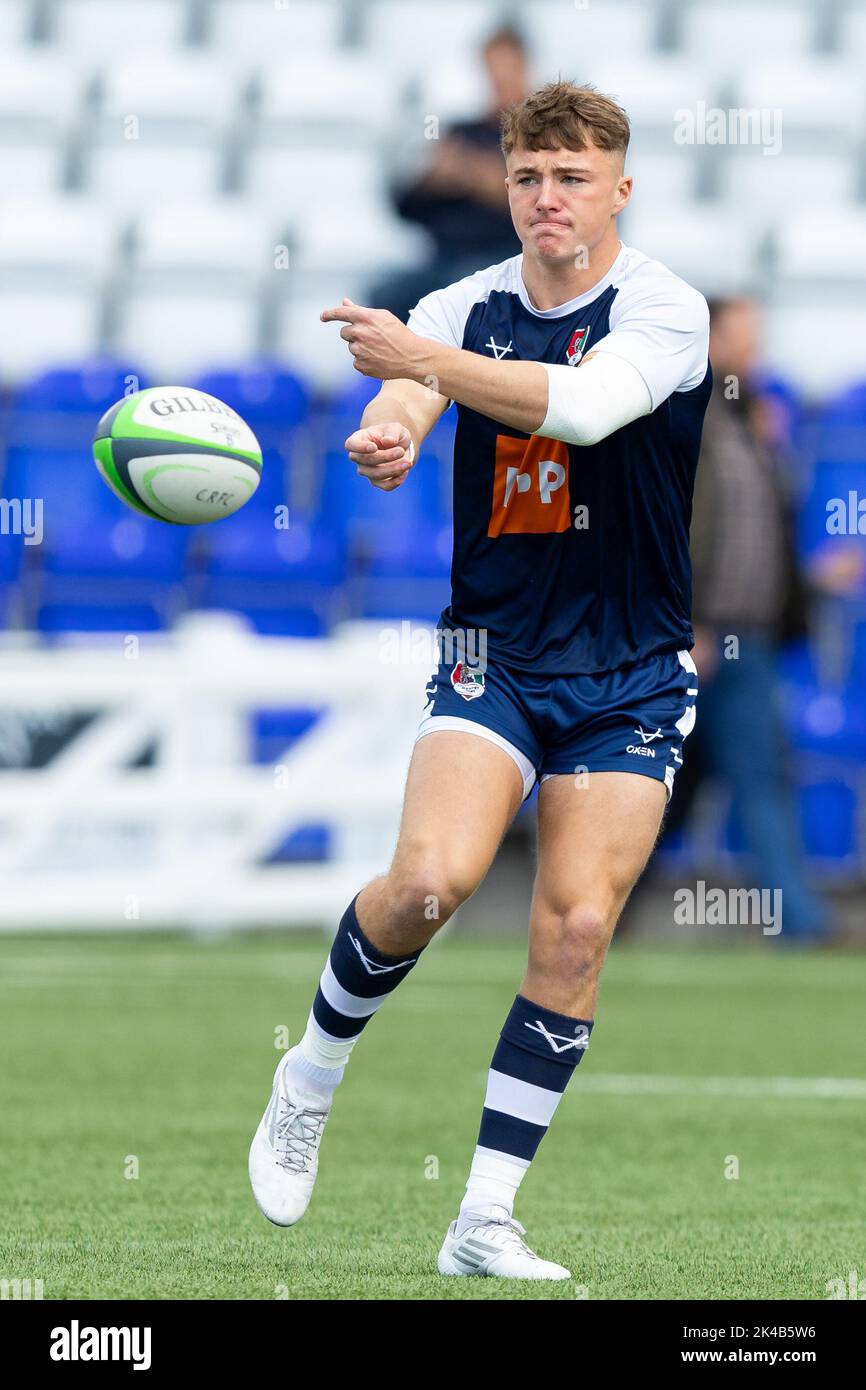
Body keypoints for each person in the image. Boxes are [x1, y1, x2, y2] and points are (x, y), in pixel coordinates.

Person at [249, 81, 711, 1280]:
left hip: (630, 665)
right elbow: (416, 382)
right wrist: (396, 421)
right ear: (502, 184)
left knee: (570, 926)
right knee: (425, 883)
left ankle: (481, 1219)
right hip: (488, 647)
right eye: (524, 176)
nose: (545, 198)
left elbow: (587, 411)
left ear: (619, 188)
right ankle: (308, 1072)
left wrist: (422, 361)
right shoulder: (467, 302)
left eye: (569, 177)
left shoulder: (664, 309)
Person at [668, 297, 831, 941]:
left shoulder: (749, 425)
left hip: (746, 636)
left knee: (684, 784)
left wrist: (811, 586)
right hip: (706, 634)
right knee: (740, 778)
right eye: (743, 337)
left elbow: (757, 536)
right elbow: (682, 529)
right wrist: (689, 621)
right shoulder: (689, 420)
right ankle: (803, 923)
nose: (754, 351)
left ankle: (592, 908)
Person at [370, 26, 528, 322]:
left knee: (459, 290)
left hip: (506, 262)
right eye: (491, 69)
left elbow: (537, 200)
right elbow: (407, 207)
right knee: (383, 296)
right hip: (445, 257)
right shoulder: (462, 131)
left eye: (506, 68)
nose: (498, 79)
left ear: (523, 67)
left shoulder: (540, 134)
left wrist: (478, 177)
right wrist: (433, 182)